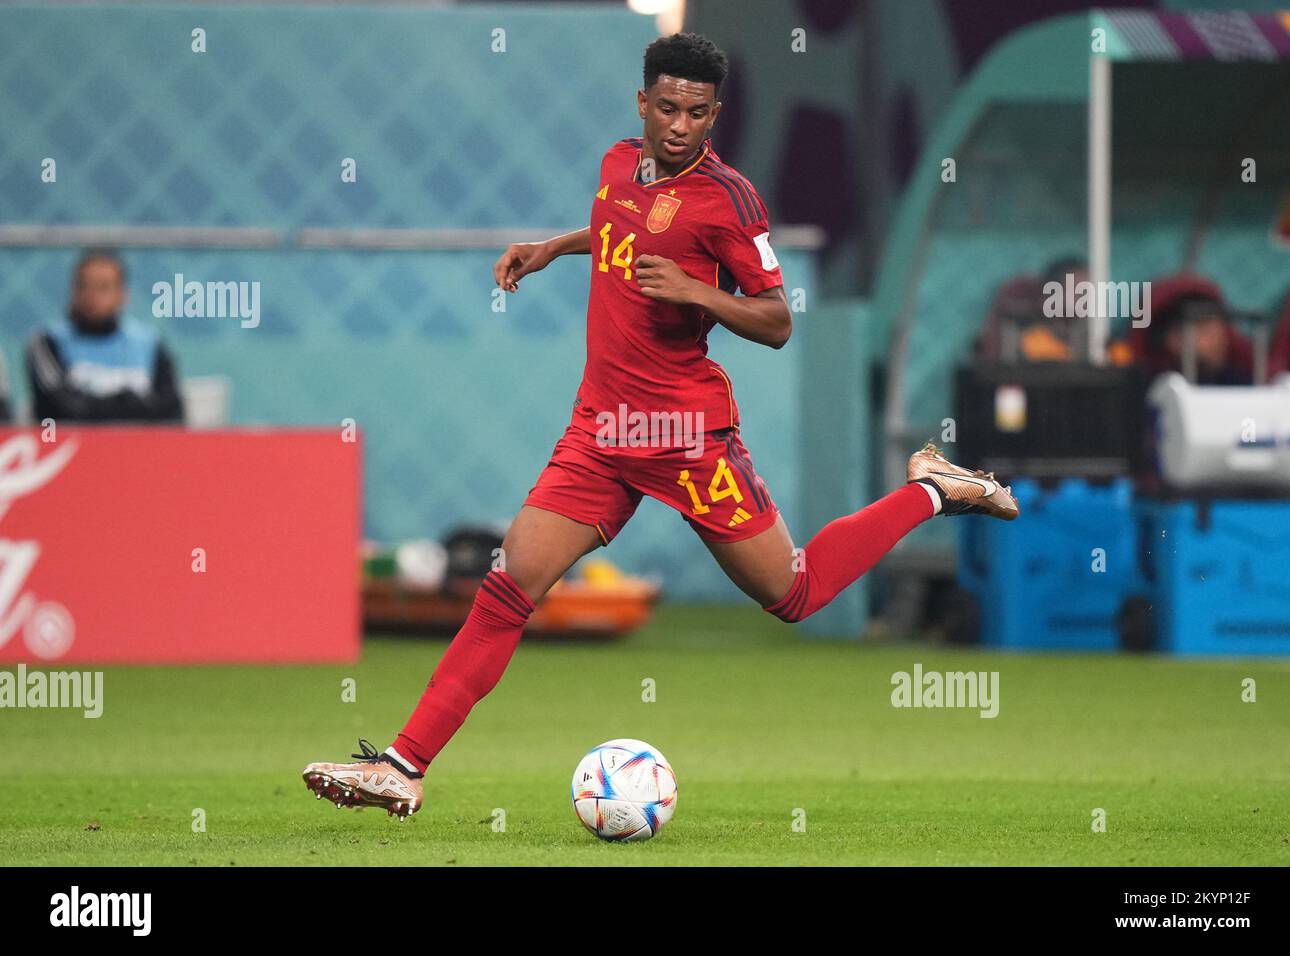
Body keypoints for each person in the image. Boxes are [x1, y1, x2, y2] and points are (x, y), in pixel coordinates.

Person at [302, 33, 1018, 820]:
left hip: (684, 437)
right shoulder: (617, 164)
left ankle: (933, 491)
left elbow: (777, 320)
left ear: (716, 115)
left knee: (796, 593)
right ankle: (404, 767)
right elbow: (622, 231)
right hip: (600, 433)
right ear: (642, 104)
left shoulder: (731, 201)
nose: (681, 126)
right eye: (669, 108)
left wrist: (695, 290)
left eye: (699, 114)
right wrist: (554, 248)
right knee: (508, 586)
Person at [26, 249, 184, 423]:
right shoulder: (48, 341)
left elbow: (171, 411)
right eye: (83, 286)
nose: (92, 296)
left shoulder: (150, 343)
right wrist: (128, 404)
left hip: (138, 447)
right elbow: (62, 408)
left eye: (103, 287)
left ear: (122, 295)